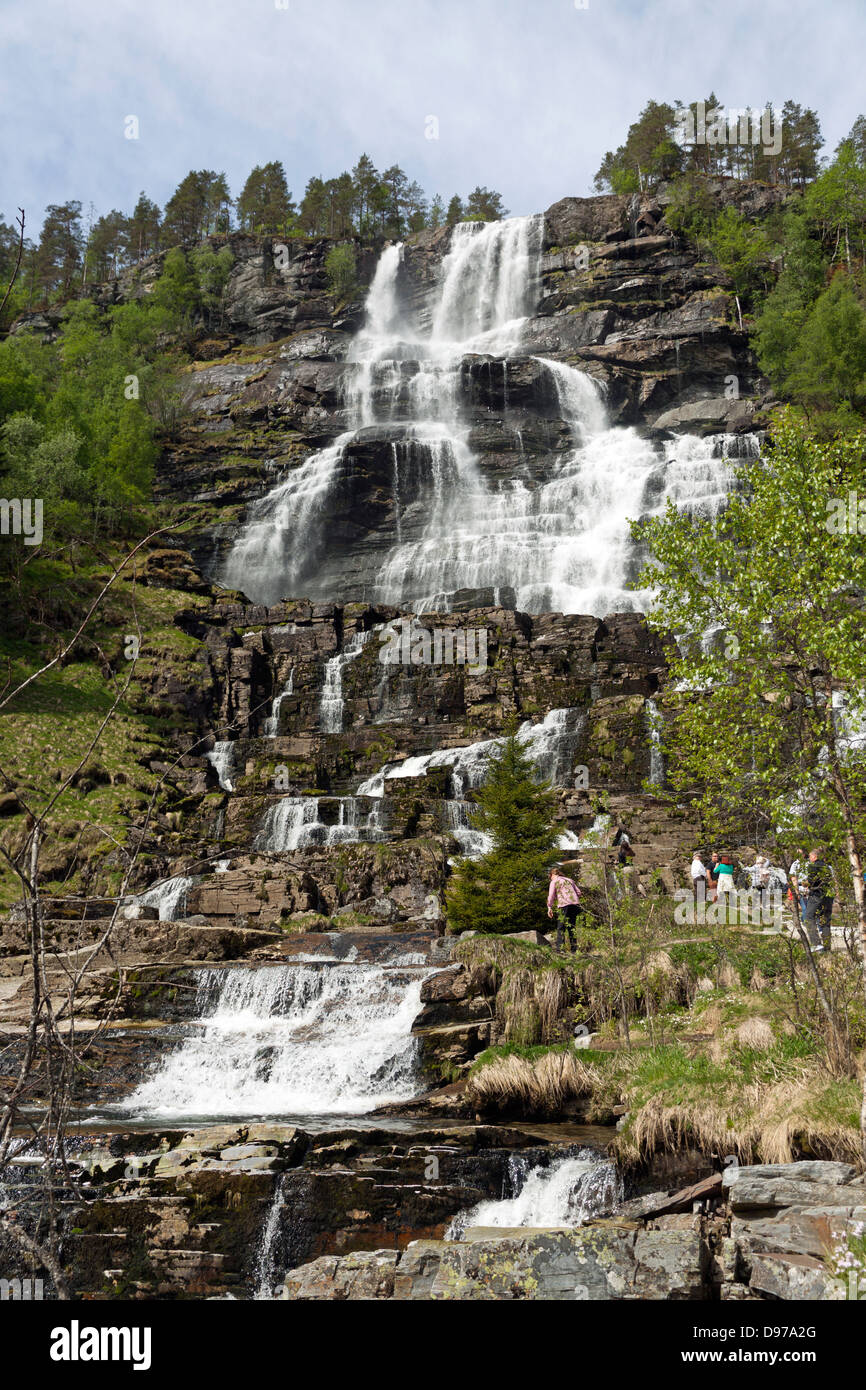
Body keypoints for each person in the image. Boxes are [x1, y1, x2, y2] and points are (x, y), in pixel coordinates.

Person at [803, 848, 834, 952]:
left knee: (808, 916)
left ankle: (816, 943)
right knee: (825, 920)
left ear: (814, 857)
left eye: (809, 857)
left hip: (817, 895)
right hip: (828, 896)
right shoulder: (827, 867)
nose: (809, 859)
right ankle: (827, 947)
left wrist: (805, 884)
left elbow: (812, 881)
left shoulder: (813, 865)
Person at [547, 865, 582, 954]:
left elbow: (551, 896)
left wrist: (549, 907)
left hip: (564, 905)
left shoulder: (554, 881)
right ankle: (574, 950)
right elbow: (579, 892)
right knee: (571, 927)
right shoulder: (569, 880)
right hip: (575, 905)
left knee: (561, 927)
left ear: (551, 875)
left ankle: (560, 950)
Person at [714, 851, 737, 921]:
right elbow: (732, 872)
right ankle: (732, 903)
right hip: (729, 879)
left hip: (722, 879)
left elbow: (715, 871)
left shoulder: (721, 865)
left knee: (721, 891)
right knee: (730, 891)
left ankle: (722, 903)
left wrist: (716, 865)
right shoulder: (731, 866)